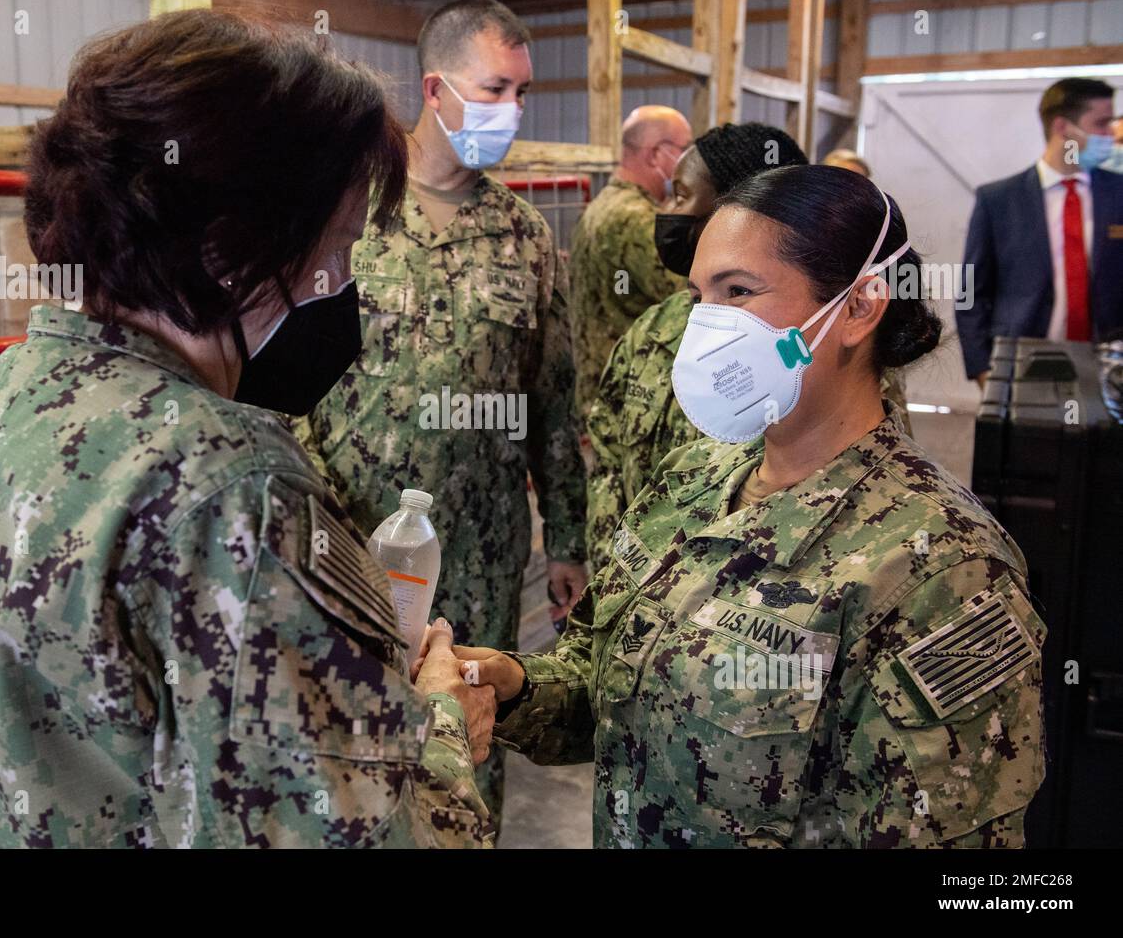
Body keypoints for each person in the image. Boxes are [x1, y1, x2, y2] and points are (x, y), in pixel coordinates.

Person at [0, 10, 496, 849]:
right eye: (339, 248)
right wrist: (442, 725)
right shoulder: (232, 486)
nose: (345, 286)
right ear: (229, 251)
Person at [438, 165, 1047, 848]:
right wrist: (516, 686)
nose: (706, 326)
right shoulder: (693, 478)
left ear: (857, 307)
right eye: (699, 297)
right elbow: (611, 689)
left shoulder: (944, 569)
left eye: (738, 292)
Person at [293, 0, 587, 826]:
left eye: (522, 93)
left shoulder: (524, 235)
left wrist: (568, 539)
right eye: (495, 89)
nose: (512, 111)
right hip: (349, 538)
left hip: (480, 553)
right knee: (343, 735)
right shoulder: (346, 213)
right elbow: (284, 371)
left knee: (467, 736)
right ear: (435, 88)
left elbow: (552, 399)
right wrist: (306, 507)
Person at [586, 123, 807, 570]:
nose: (666, 210)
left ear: (740, 209)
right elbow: (607, 458)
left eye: (682, 196)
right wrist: (607, 572)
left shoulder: (802, 345)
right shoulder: (654, 328)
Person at [958, 77, 1123, 384]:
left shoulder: (1119, 193)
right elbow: (971, 292)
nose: (1110, 134)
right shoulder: (998, 200)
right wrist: (981, 369)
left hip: (1109, 370)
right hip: (1021, 366)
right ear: (1063, 127)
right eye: (1101, 124)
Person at [568, 105, 690, 415]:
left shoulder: (603, 205)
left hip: (601, 390)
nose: (689, 162)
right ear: (656, 154)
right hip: (629, 398)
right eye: (684, 150)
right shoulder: (637, 219)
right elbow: (688, 299)